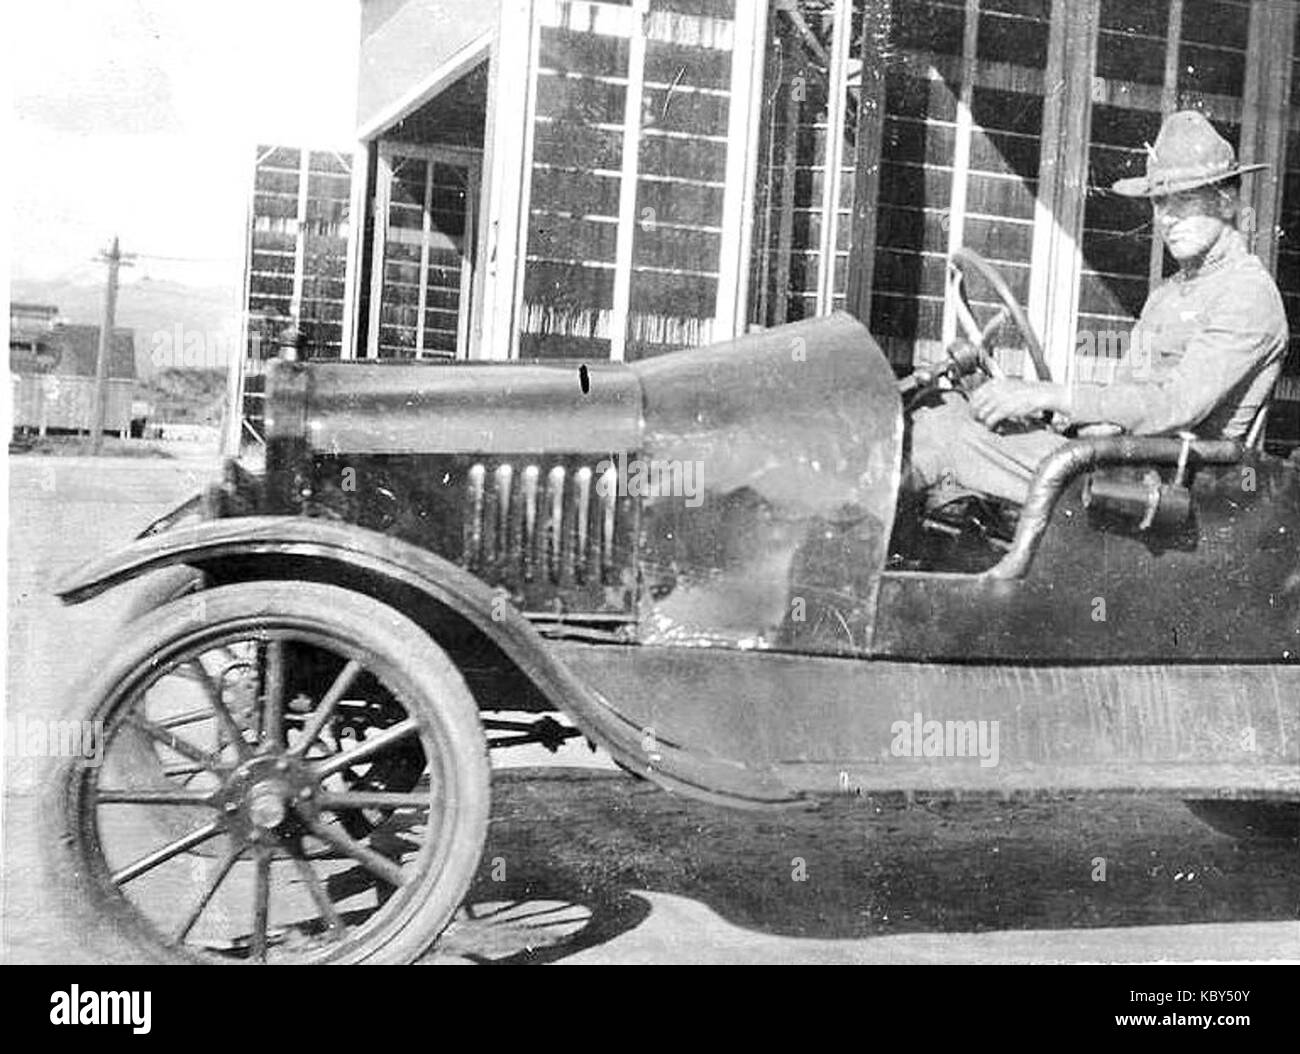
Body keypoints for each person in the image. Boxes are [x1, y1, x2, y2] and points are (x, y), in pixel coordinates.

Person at [907, 109, 1289, 508]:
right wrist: (1071, 416)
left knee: (945, 436)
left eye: (1185, 200)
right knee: (946, 406)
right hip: (1125, 463)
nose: (1167, 218)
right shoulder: (1169, 293)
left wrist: (1048, 395)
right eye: (1160, 201)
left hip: (1170, 488)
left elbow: (1175, 405)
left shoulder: (1247, 295)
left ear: (1227, 203)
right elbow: (1129, 391)